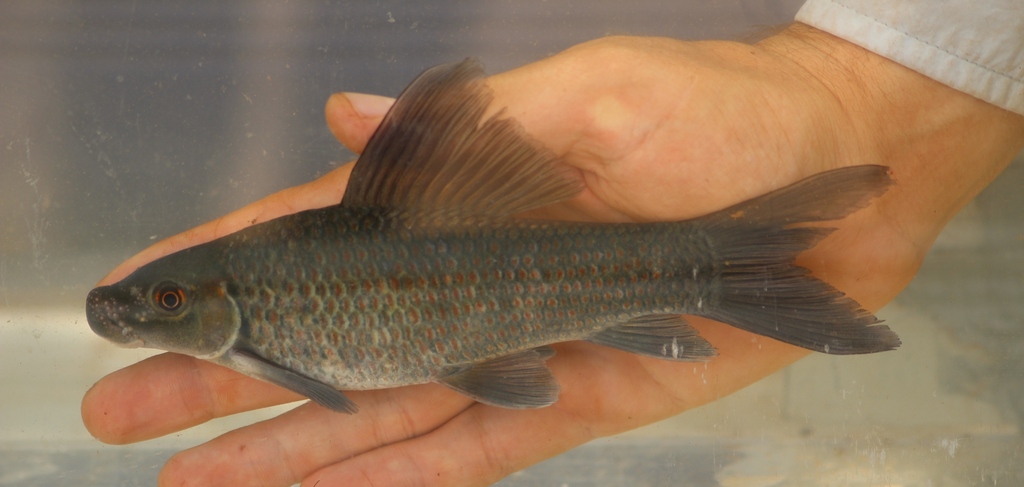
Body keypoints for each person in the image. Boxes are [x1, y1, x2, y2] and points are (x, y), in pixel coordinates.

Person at [81, 4, 1024, 486]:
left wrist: (859, 101)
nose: (149, 308)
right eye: (162, 304)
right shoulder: (249, 312)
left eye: (166, 301)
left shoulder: (256, 303)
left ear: (204, 302)